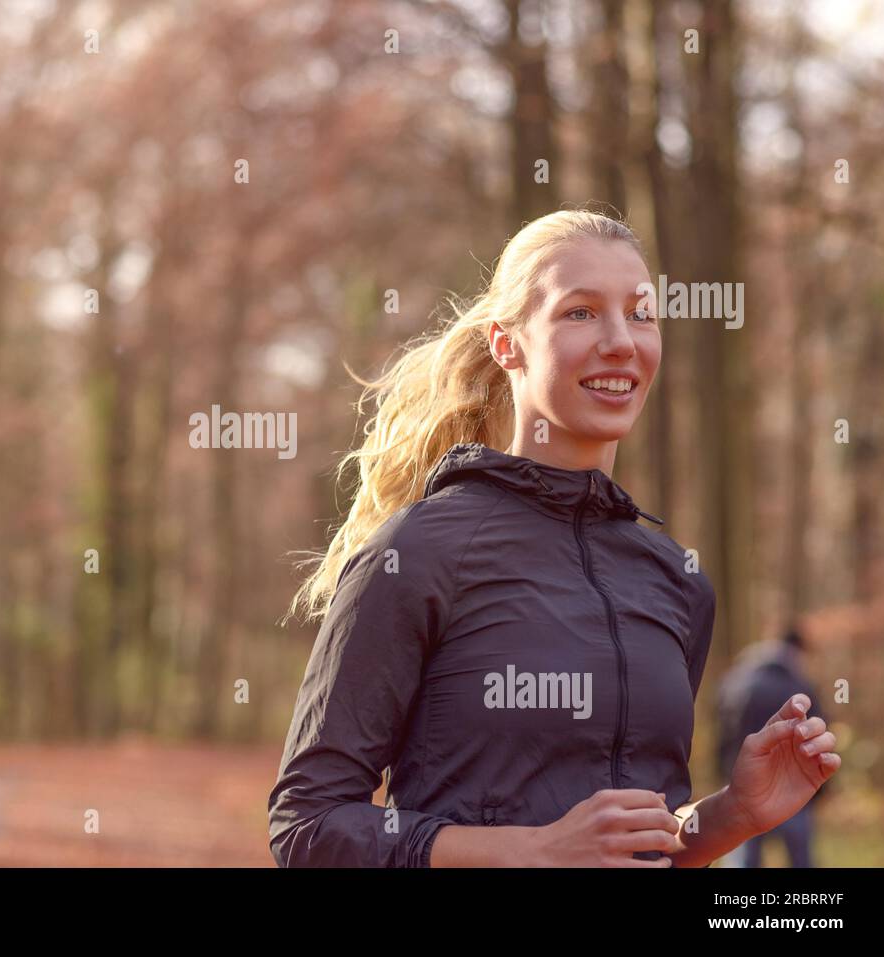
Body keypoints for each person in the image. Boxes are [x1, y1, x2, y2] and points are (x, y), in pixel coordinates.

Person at [267, 209, 841, 867]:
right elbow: (307, 825)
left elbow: (631, 846)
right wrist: (532, 850)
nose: (621, 340)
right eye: (581, 312)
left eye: (641, 312)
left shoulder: (677, 581)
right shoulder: (420, 551)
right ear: (506, 344)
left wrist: (731, 813)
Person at [717, 627, 828, 867]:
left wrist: (724, 773)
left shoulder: (736, 681)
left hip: (740, 785)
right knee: (800, 859)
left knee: (744, 858)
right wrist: (820, 789)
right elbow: (819, 736)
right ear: (797, 650)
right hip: (793, 788)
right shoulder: (800, 684)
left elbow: (723, 733)